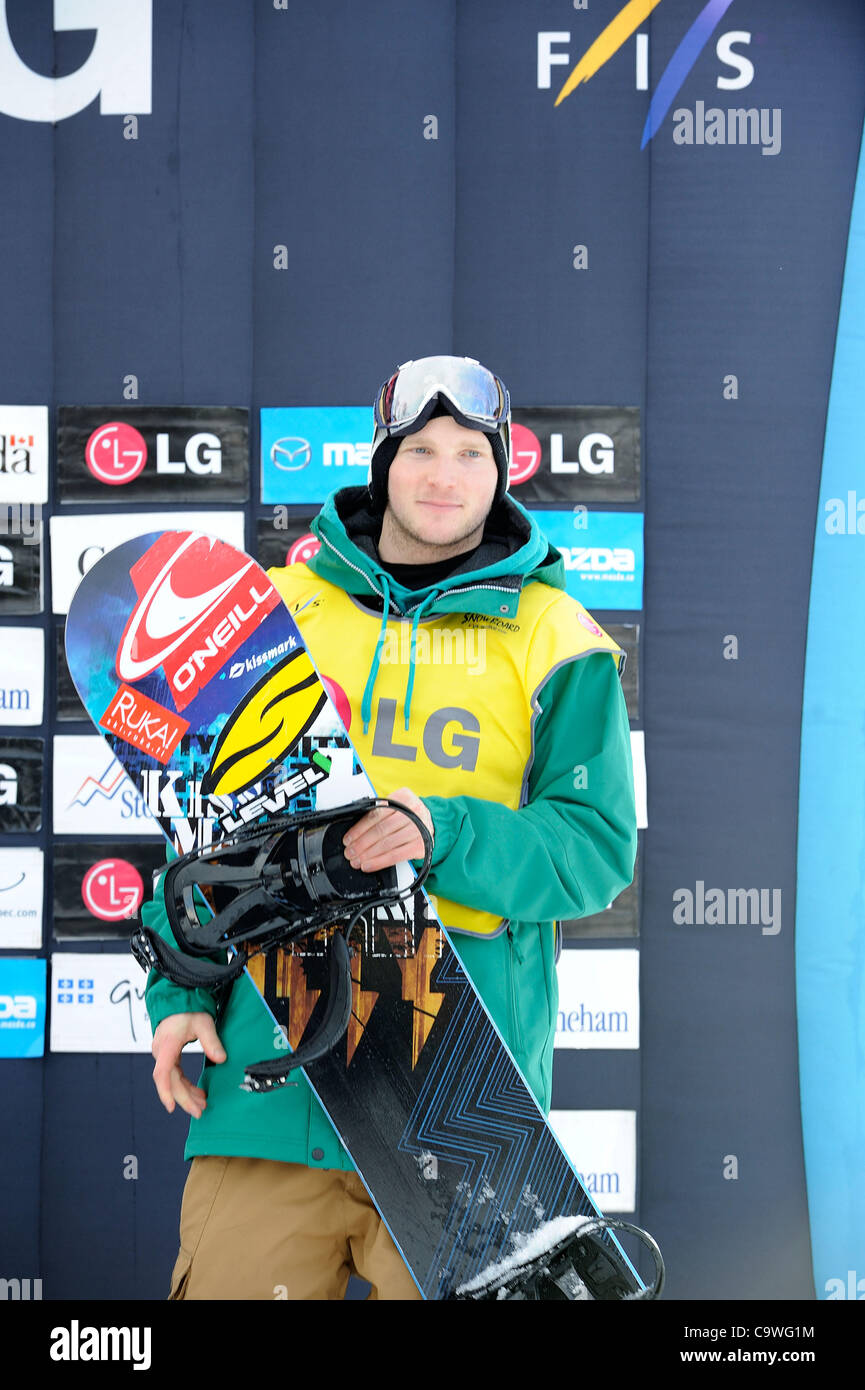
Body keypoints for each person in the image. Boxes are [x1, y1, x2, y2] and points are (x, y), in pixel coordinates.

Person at [143, 354, 637, 1300]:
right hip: (268, 1082)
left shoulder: (556, 637)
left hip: (458, 1100)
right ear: (381, 463)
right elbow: (197, 827)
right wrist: (179, 994)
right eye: (419, 451)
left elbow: (592, 848)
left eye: (467, 453)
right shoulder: (278, 610)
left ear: (500, 472)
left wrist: (441, 830)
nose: (443, 475)